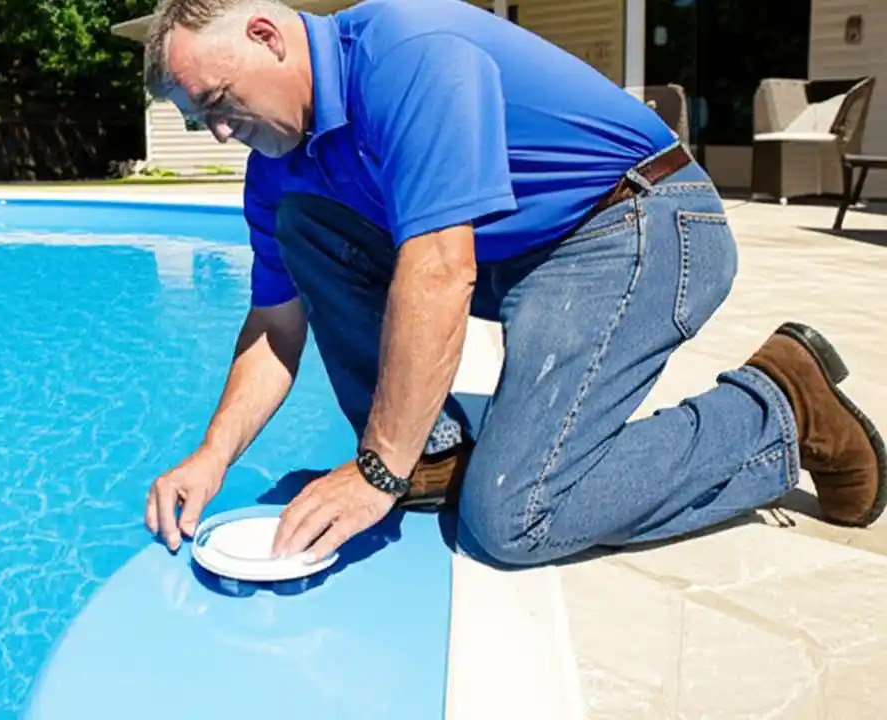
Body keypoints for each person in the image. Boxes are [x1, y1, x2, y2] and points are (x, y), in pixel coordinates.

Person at [139, 0, 885, 567]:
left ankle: (778, 407)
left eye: (217, 102)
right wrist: (213, 456)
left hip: (637, 222)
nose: (219, 134)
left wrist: (375, 472)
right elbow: (275, 324)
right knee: (307, 223)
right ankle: (429, 450)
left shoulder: (406, 54)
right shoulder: (277, 170)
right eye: (199, 117)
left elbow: (441, 270)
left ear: (267, 37)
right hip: (524, 254)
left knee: (513, 517)